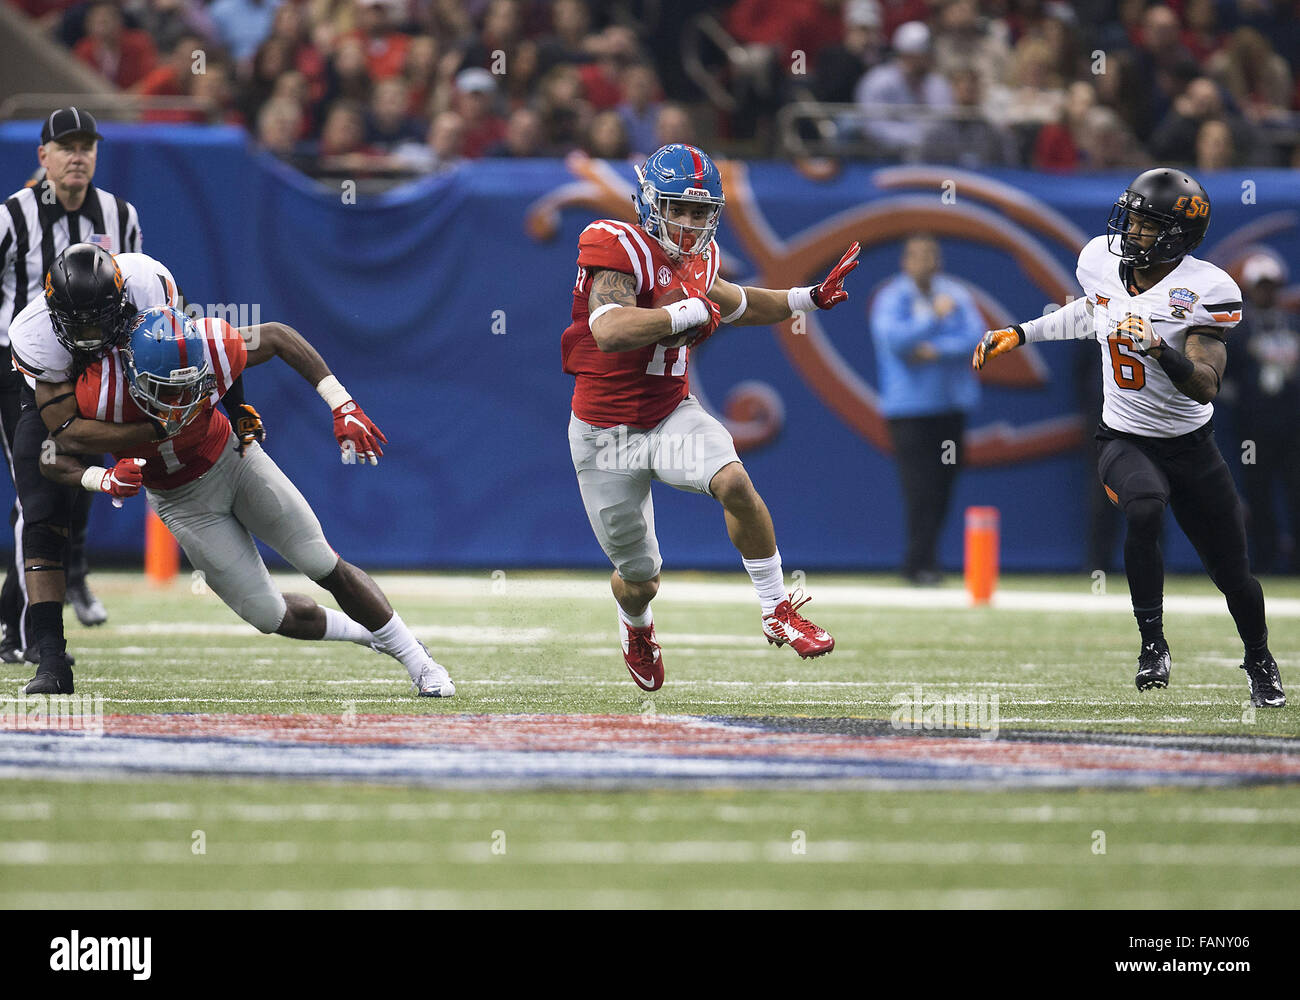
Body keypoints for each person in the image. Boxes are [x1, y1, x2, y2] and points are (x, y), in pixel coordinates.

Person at [974, 167, 1285, 708]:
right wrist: (1021, 332)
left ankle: (1259, 658)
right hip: (1124, 436)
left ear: (1177, 235)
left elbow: (1205, 388)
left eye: (1145, 223)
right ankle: (1152, 644)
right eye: (1132, 216)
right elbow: (1094, 313)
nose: (1129, 230)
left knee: (1234, 574)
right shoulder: (1101, 261)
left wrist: (1161, 349)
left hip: (1190, 445)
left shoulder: (1207, 290)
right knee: (1143, 508)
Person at [32, 303, 455, 698]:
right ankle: (371, 634)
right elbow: (51, 455)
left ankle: (417, 661)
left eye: (189, 386)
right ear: (133, 374)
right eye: (167, 390)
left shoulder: (212, 343)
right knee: (268, 615)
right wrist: (100, 477)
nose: (181, 402)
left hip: (234, 460)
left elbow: (278, 336)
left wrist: (340, 403)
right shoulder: (99, 392)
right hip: (181, 503)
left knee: (321, 562)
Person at [562, 143, 859, 691]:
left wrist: (807, 298)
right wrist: (684, 310)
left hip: (670, 414)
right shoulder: (614, 243)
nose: (690, 221)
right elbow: (608, 330)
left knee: (734, 481)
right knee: (639, 580)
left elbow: (736, 302)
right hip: (605, 435)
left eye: (701, 211)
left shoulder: (703, 258)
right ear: (650, 203)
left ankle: (776, 608)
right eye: (679, 207)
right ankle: (637, 626)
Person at [9, 242, 265, 693]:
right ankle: (49, 658)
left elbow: (201, 345)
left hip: (133, 376)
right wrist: (150, 433)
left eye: (97, 317)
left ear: (122, 297)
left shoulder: (147, 281)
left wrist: (236, 404)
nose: (88, 332)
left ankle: (77, 588)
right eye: (76, 321)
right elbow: (65, 433)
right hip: (67, 399)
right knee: (43, 508)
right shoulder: (33, 334)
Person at [1, 109, 140, 661]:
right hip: (21, 369)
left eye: (86, 146)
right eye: (66, 146)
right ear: (44, 157)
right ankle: (24, 629)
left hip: (88, 369)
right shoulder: (13, 214)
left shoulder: (118, 214)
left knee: (72, 487)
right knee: (38, 493)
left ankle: (71, 574)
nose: (78, 155)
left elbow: (128, 285)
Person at [871, 234, 981, 585]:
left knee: (944, 485)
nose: (925, 262)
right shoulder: (892, 297)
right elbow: (896, 341)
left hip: (950, 407)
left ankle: (929, 559)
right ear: (905, 261)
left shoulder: (956, 294)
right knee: (919, 488)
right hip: (910, 410)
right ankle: (916, 562)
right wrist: (933, 318)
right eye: (917, 256)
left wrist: (935, 350)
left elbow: (975, 336)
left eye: (931, 255)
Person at [1227, 253, 1300, 573]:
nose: (1266, 293)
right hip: (1253, 430)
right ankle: (1265, 560)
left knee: (1296, 492)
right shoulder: (1238, 332)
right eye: (1261, 286)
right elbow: (1221, 379)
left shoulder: (1294, 325)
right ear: (1249, 289)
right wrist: (1244, 403)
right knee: (1258, 494)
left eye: (1271, 287)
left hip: (1293, 427)